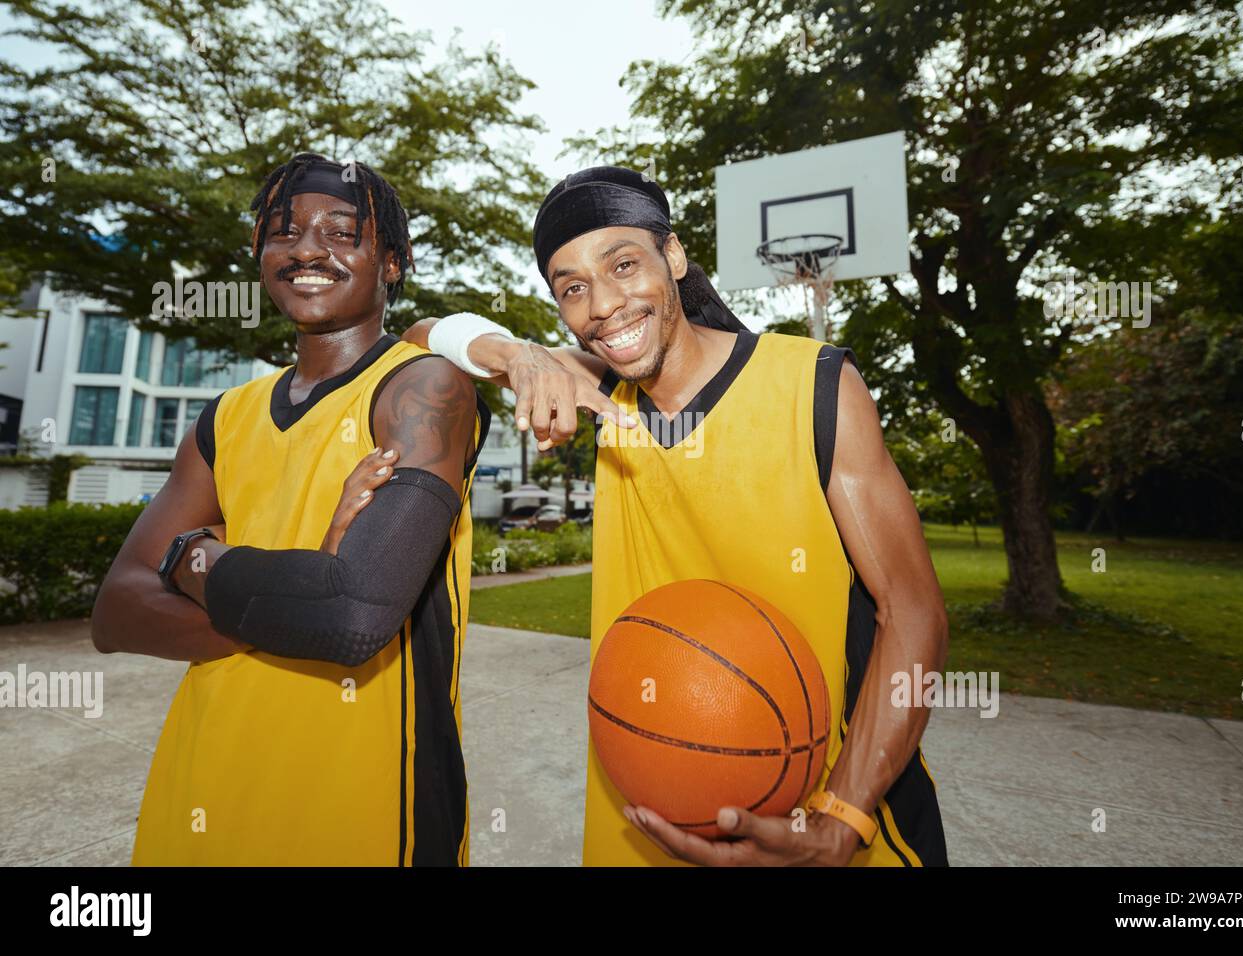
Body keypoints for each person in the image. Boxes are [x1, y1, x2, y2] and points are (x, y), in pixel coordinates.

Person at [394, 165, 949, 866]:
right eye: (571, 287)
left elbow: (916, 610)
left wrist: (841, 816)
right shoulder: (597, 391)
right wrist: (520, 357)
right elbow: (418, 335)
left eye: (624, 264)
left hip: (821, 798)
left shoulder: (813, 384)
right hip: (646, 799)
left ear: (674, 258)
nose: (603, 304)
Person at [91, 153, 490, 866]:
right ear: (260, 251)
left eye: (342, 232)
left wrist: (193, 559)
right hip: (202, 781)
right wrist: (296, 584)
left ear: (392, 262)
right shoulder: (227, 415)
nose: (308, 249)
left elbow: (351, 616)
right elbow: (115, 612)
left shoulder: (425, 388)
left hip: (365, 804)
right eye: (286, 231)